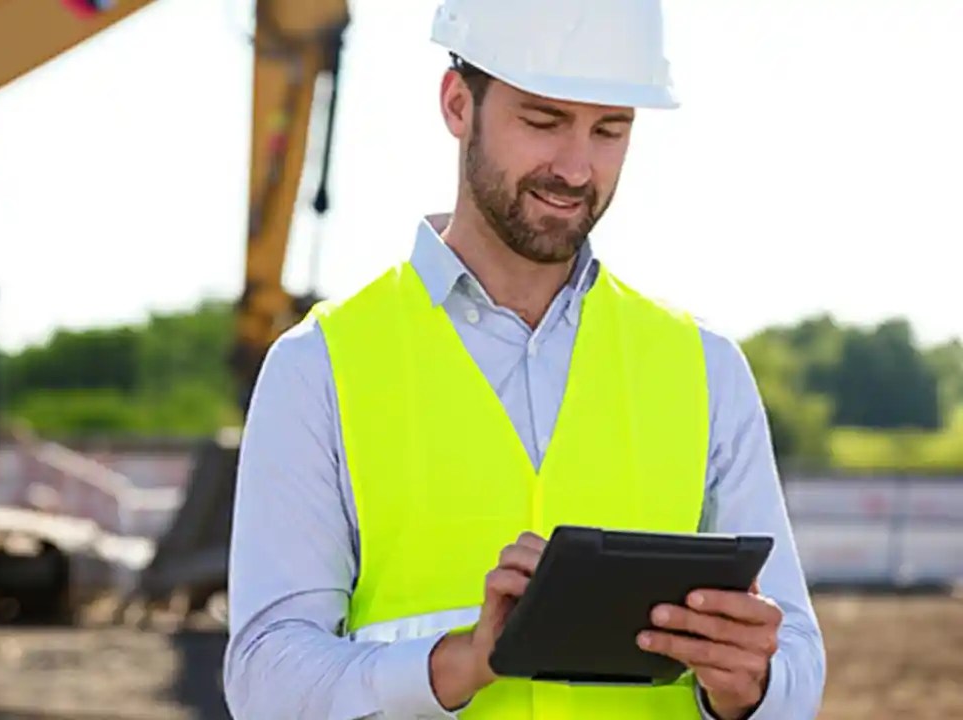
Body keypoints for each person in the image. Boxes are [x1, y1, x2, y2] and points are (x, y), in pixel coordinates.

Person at [223, 0, 826, 717]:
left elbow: (796, 667)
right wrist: (461, 661)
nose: (576, 167)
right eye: (542, 120)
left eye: (610, 129)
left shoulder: (706, 369)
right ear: (457, 104)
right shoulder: (318, 368)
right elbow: (265, 681)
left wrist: (751, 686)